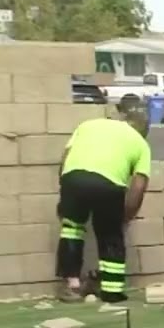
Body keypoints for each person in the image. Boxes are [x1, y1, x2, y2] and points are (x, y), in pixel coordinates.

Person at [55, 111, 152, 303]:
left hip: (73, 177)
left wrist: (65, 193)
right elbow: (138, 187)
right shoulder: (141, 144)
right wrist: (125, 217)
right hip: (109, 184)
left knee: (72, 230)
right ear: (142, 132)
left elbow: (65, 159)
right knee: (110, 236)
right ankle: (111, 291)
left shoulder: (89, 124)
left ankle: (72, 287)